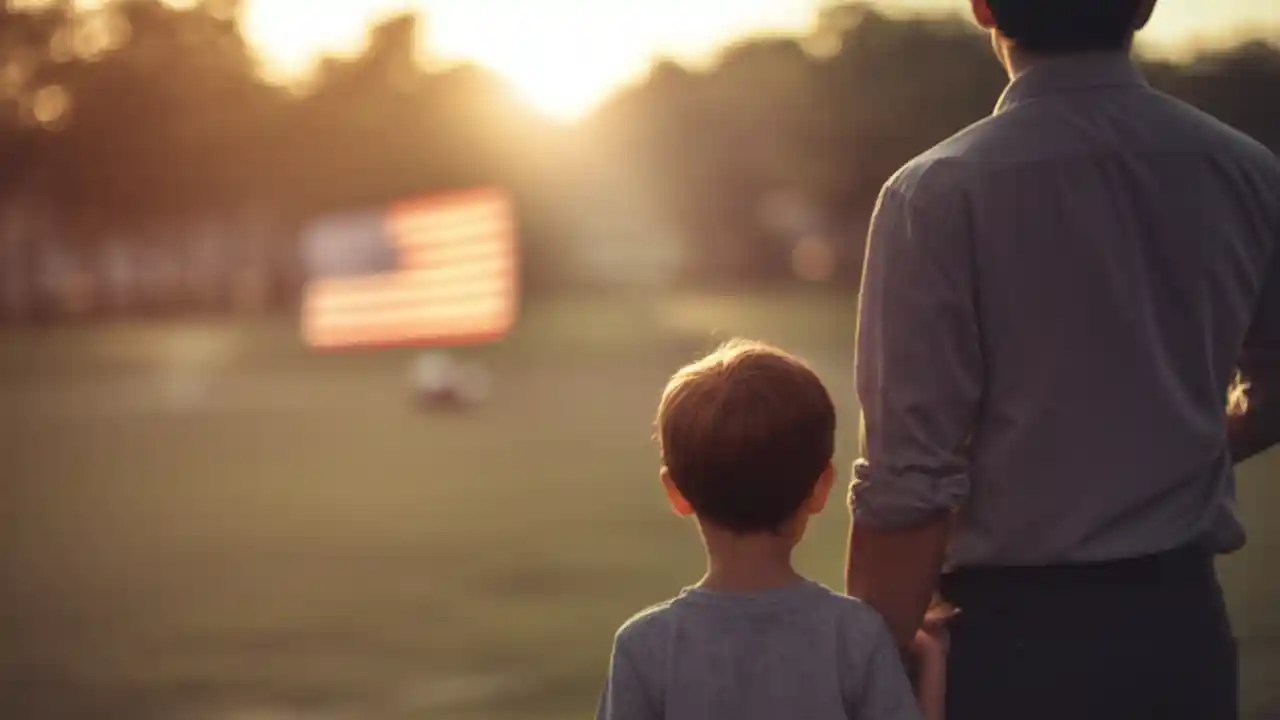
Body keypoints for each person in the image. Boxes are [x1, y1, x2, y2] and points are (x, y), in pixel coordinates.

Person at [845, 0, 1280, 718]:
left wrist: (866, 674)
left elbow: (908, 475)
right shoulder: (1246, 171)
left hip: (1012, 646)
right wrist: (1173, 452)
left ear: (983, 7)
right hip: (1182, 636)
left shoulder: (937, 192)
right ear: (1144, 5)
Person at [598, 340, 945, 720]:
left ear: (676, 493)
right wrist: (932, 666)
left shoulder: (645, 647)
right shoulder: (853, 637)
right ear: (821, 487)